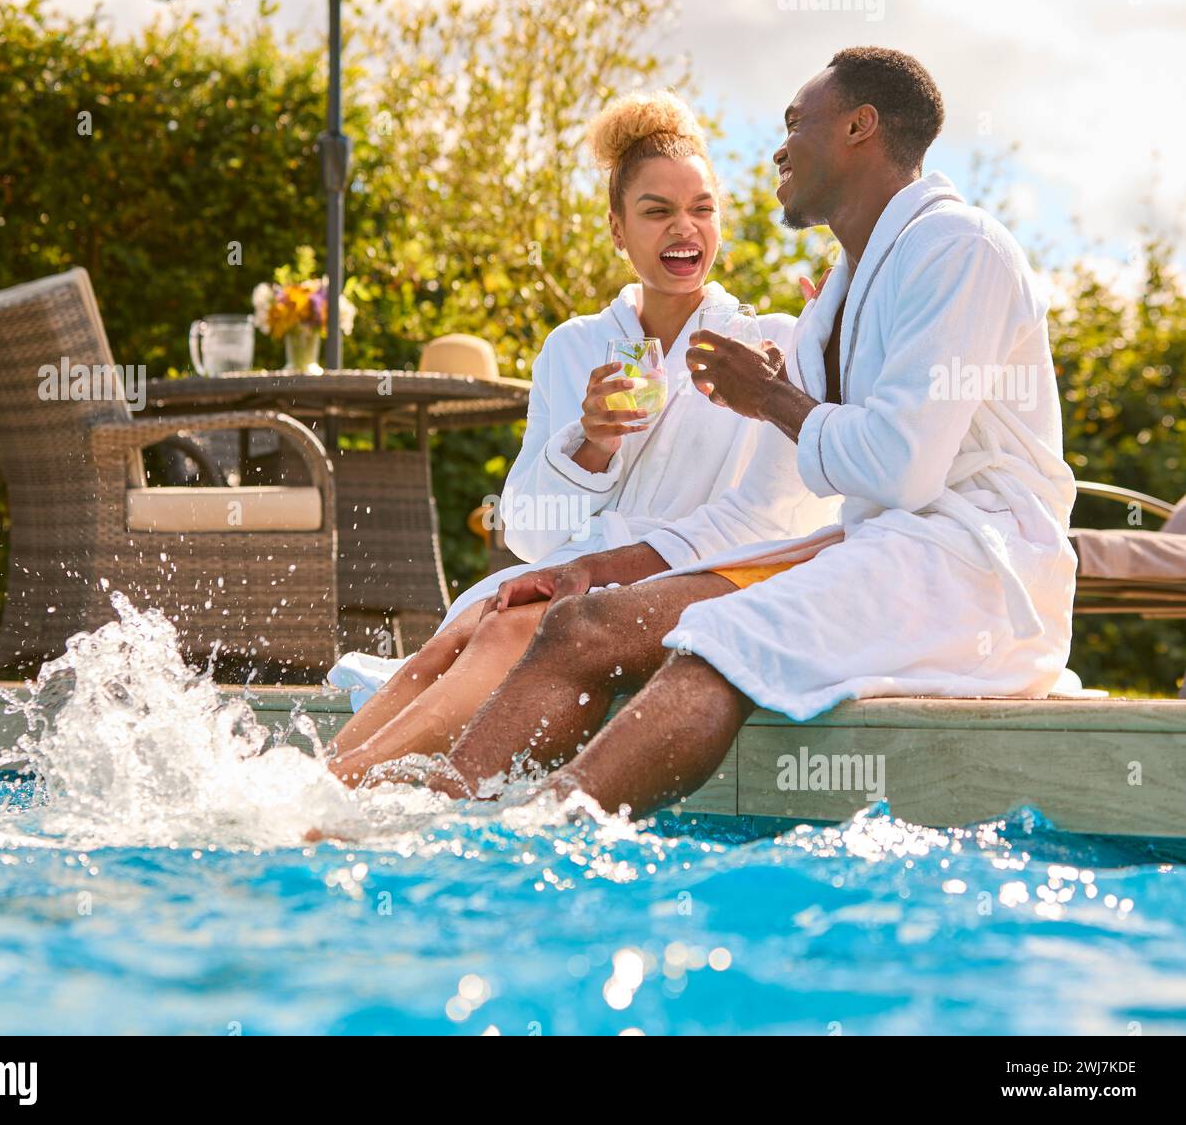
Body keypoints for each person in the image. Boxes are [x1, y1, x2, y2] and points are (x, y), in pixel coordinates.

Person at [416, 46, 1077, 816]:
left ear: (860, 127)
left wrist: (769, 396)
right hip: (876, 549)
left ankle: (537, 835)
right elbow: (793, 491)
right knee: (582, 625)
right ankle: (437, 814)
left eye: (798, 123)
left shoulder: (959, 248)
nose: (778, 147)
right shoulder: (845, 287)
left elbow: (901, 470)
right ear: (618, 230)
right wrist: (597, 561)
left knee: (714, 648)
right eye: (657, 210)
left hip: (976, 571)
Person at [325, 90, 838, 785]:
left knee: (507, 628)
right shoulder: (575, 348)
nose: (684, 229)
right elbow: (529, 534)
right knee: (445, 644)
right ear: (618, 230)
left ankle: (350, 790)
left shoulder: (768, 341)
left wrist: (833, 329)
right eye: (656, 211)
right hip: (565, 567)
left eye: (702, 208)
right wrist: (588, 443)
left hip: (677, 578)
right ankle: (321, 779)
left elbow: (799, 502)